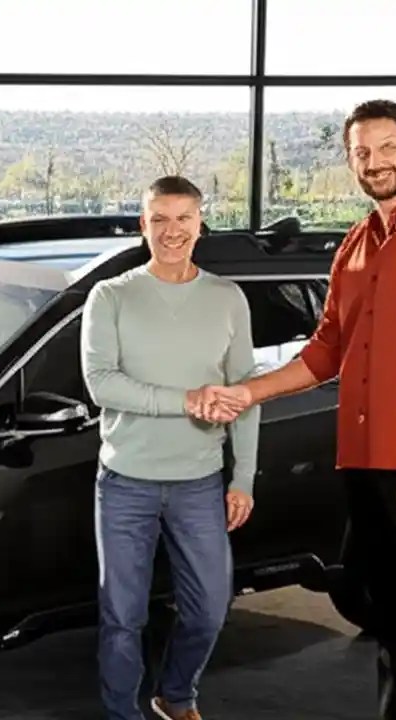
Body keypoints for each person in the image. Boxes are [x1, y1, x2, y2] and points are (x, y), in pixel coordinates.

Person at [201, 99, 396, 720]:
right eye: (361, 153)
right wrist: (248, 392)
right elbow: (326, 353)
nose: (374, 162)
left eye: (386, 147)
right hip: (367, 466)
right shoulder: (356, 244)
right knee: (391, 632)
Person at [80, 175, 260, 720]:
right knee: (122, 617)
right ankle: (122, 715)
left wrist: (243, 477)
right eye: (159, 219)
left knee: (209, 610)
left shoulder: (227, 299)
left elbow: (245, 394)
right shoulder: (110, 296)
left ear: (200, 224)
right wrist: (186, 400)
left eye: (183, 218)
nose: (172, 230)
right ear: (143, 226)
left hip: (200, 483)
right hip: (124, 484)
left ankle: (175, 694)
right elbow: (101, 384)